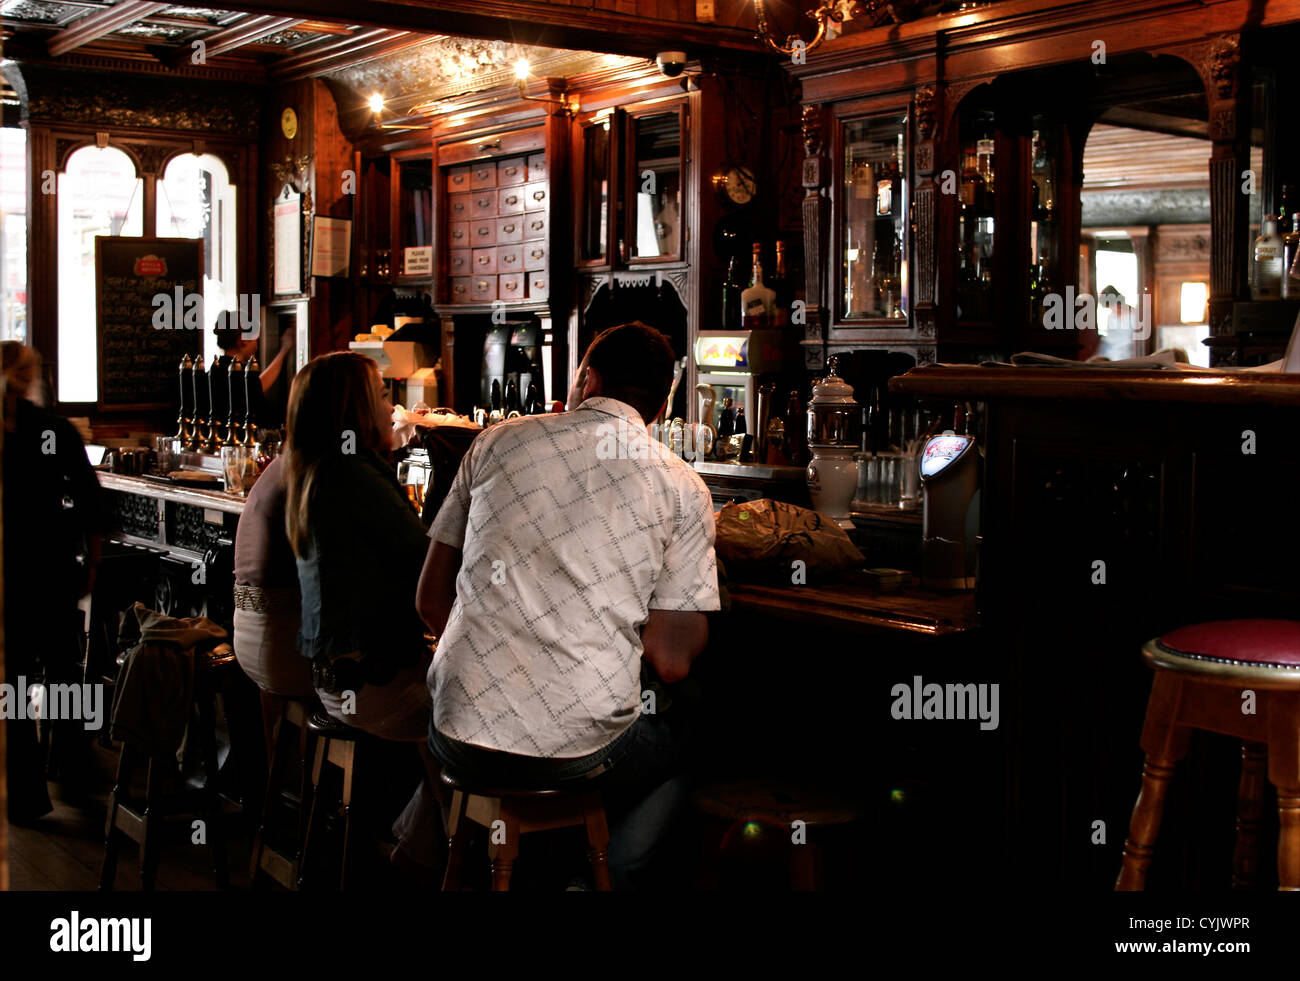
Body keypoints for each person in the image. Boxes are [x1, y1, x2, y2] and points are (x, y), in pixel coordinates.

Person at [416, 322, 720, 889]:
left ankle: (436, 854)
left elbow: (431, 600)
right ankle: (602, 872)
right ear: (660, 406)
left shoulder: (496, 441)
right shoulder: (683, 487)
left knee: (493, 727)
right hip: (578, 754)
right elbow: (671, 661)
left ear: (589, 377)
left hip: (453, 735)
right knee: (693, 739)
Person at [282, 351, 442, 874]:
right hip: (372, 685)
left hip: (335, 677)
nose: (392, 405)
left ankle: (412, 850)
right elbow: (425, 565)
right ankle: (426, 864)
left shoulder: (321, 468)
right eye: (380, 396)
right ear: (353, 409)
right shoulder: (353, 475)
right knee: (479, 726)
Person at [2, 341, 106, 821]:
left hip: (13, 573)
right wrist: (91, 564)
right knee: (65, 671)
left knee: (16, 685)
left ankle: (25, 797)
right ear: (30, 377)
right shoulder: (52, 429)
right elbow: (91, 502)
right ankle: (74, 774)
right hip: (50, 566)